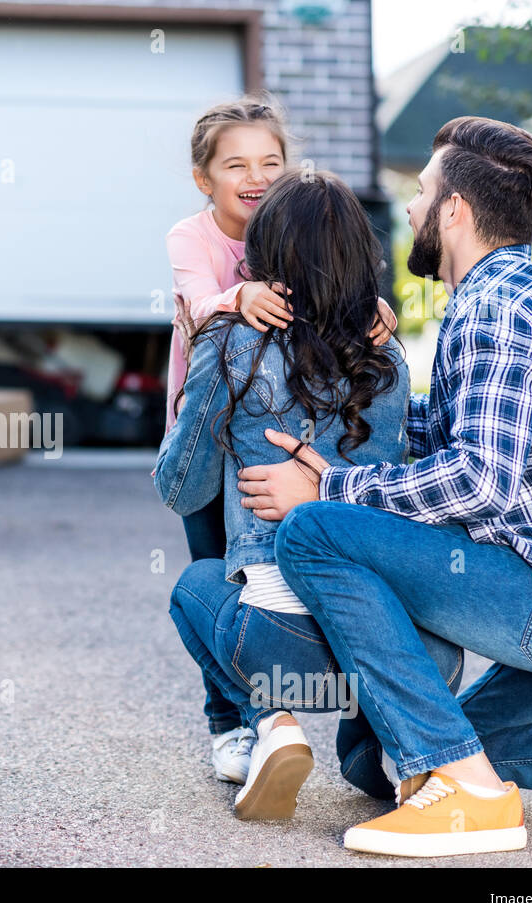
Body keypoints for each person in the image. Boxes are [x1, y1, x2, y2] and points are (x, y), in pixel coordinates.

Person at [237, 116, 532, 857]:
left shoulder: (495, 309)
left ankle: (472, 796)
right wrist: (366, 394)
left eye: (423, 192)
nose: (409, 209)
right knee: (382, 759)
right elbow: (454, 437)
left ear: (454, 211)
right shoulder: (530, 291)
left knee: (313, 531)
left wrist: (331, 485)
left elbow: (478, 480)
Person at [154, 168, 457, 819]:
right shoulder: (389, 357)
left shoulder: (234, 341)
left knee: (194, 583)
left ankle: (274, 725)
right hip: (403, 650)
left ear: (265, 256)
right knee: (374, 588)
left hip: (276, 644)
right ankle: (384, 745)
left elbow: (182, 488)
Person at [164, 96, 395, 784]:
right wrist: (238, 298)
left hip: (290, 420)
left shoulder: (297, 227)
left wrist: (368, 302)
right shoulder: (193, 237)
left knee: (231, 585)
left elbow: (332, 279)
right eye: (236, 164)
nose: (257, 175)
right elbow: (197, 302)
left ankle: (318, 724)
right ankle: (234, 723)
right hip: (208, 425)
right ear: (205, 179)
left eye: (270, 161)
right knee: (220, 568)